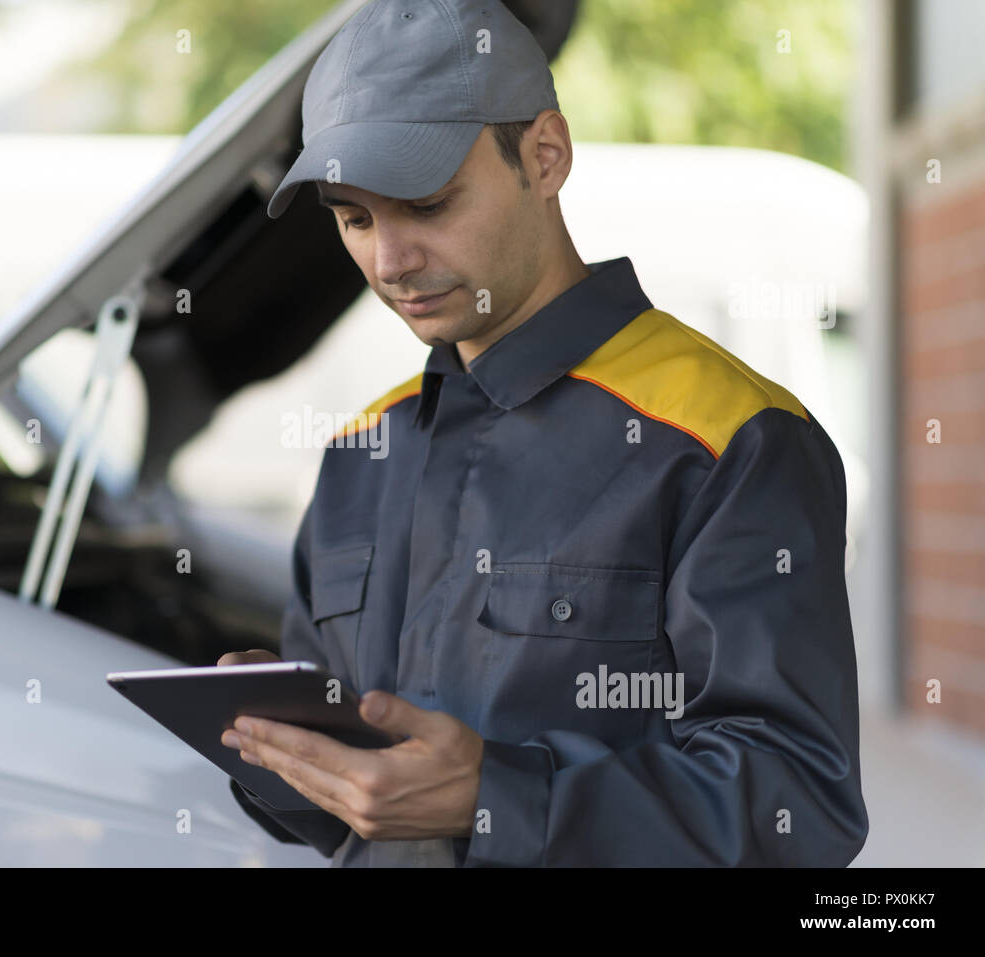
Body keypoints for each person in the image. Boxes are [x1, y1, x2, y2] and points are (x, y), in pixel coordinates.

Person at [218, 0, 868, 867]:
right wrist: (279, 755)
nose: (389, 261)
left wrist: (500, 800)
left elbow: (799, 800)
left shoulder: (729, 439)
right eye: (355, 218)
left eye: (426, 202)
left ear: (545, 156)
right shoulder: (361, 453)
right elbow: (353, 816)